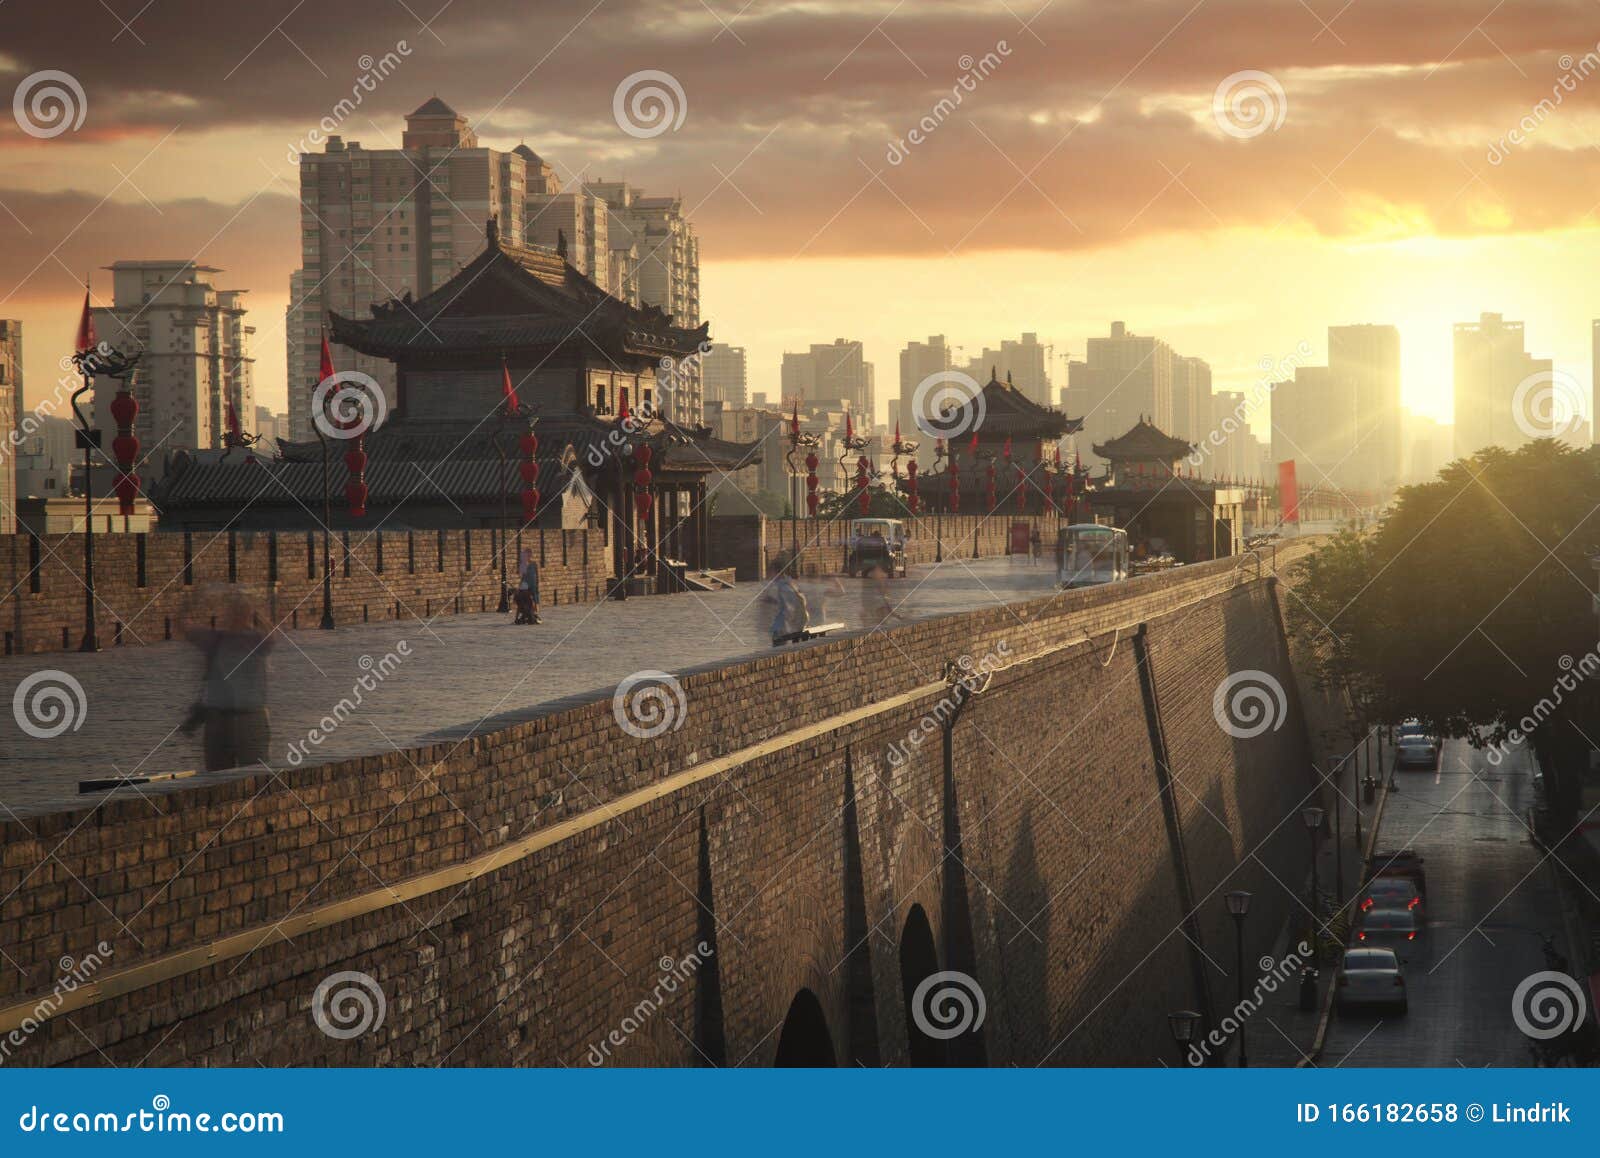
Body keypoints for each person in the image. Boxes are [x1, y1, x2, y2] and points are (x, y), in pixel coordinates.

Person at [183, 590, 274, 772]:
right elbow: (184, 627)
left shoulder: (255, 640)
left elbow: (271, 635)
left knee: (254, 776)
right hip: (222, 719)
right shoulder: (216, 639)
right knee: (221, 777)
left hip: (247, 718)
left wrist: (192, 600)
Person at [515, 548, 542, 624]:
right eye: (526, 554)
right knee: (522, 600)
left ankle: (535, 615)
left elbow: (537, 575)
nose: (528, 556)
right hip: (525, 585)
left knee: (535, 600)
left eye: (529, 554)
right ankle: (519, 616)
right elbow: (521, 577)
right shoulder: (523, 565)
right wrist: (519, 587)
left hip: (533, 585)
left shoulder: (534, 564)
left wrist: (537, 584)